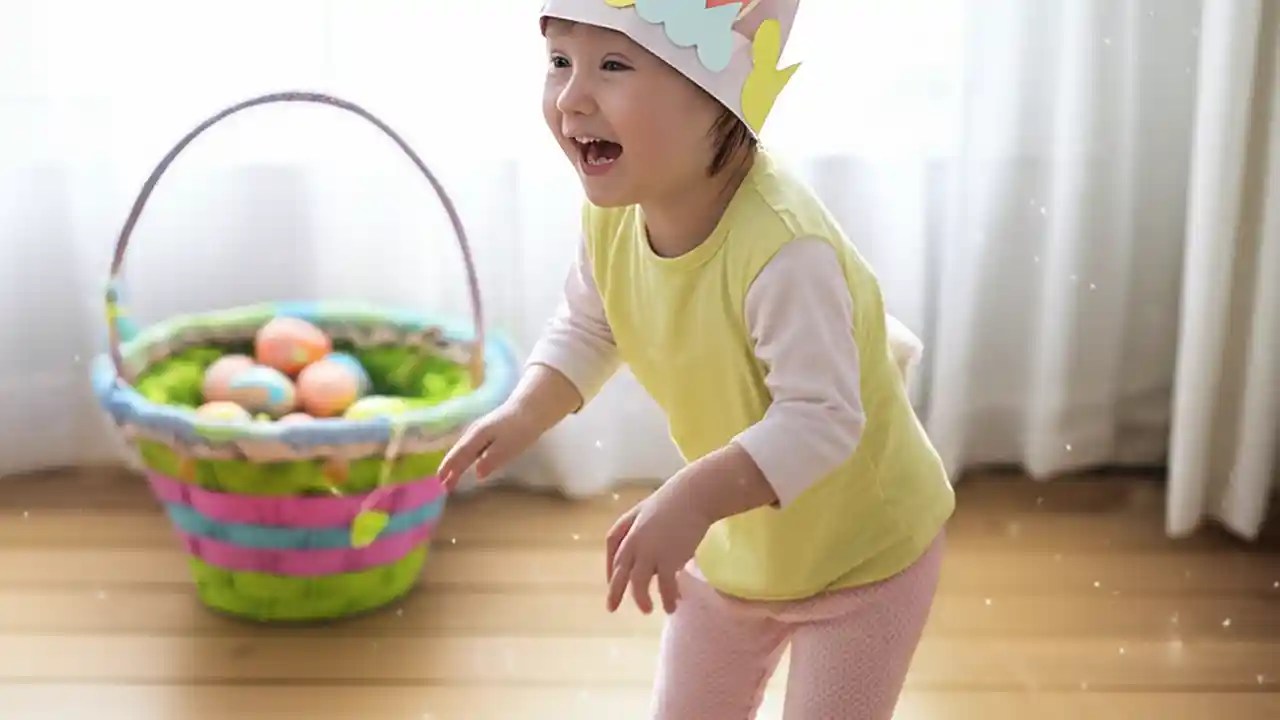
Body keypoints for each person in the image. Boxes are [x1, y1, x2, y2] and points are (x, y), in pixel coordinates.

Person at [439, 1, 956, 717]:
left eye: (612, 66)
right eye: (559, 62)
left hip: (864, 558)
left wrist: (689, 498)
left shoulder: (784, 253)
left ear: (713, 96)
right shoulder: (615, 213)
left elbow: (822, 420)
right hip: (735, 547)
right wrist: (525, 410)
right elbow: (593, 322)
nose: (572, 98)